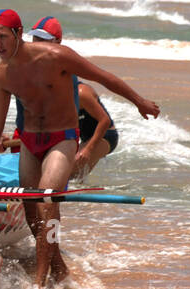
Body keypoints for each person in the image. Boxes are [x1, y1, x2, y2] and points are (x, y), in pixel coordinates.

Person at [0, 9, 158, 286]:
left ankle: (39, 284)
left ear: (18, 33)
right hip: (29, 142)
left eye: (2, 36)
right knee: (30, 210)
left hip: (61, 139)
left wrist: (139, 101)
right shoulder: (2, 75)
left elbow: (103, 77)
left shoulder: (56, 57)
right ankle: (60, 269)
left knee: (47, 201)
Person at [24, 17, 120, 181]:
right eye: (35, 38)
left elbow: (104, 121)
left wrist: (88, 149)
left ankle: (83, 196)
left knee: (65, 175)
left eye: (43, 39)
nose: (38, 43)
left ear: (58, 41)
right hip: (78, 134)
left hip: (104, 136)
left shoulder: (81, 93)